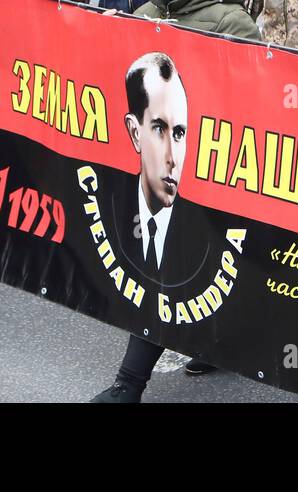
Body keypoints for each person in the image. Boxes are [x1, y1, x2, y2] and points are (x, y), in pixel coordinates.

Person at [92, 46, 251, 403]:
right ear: (134, 132)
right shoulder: (112, 195)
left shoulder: (229, 24)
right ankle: (129, 383)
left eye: (179, 133)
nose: (170, 156)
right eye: (158, 129)